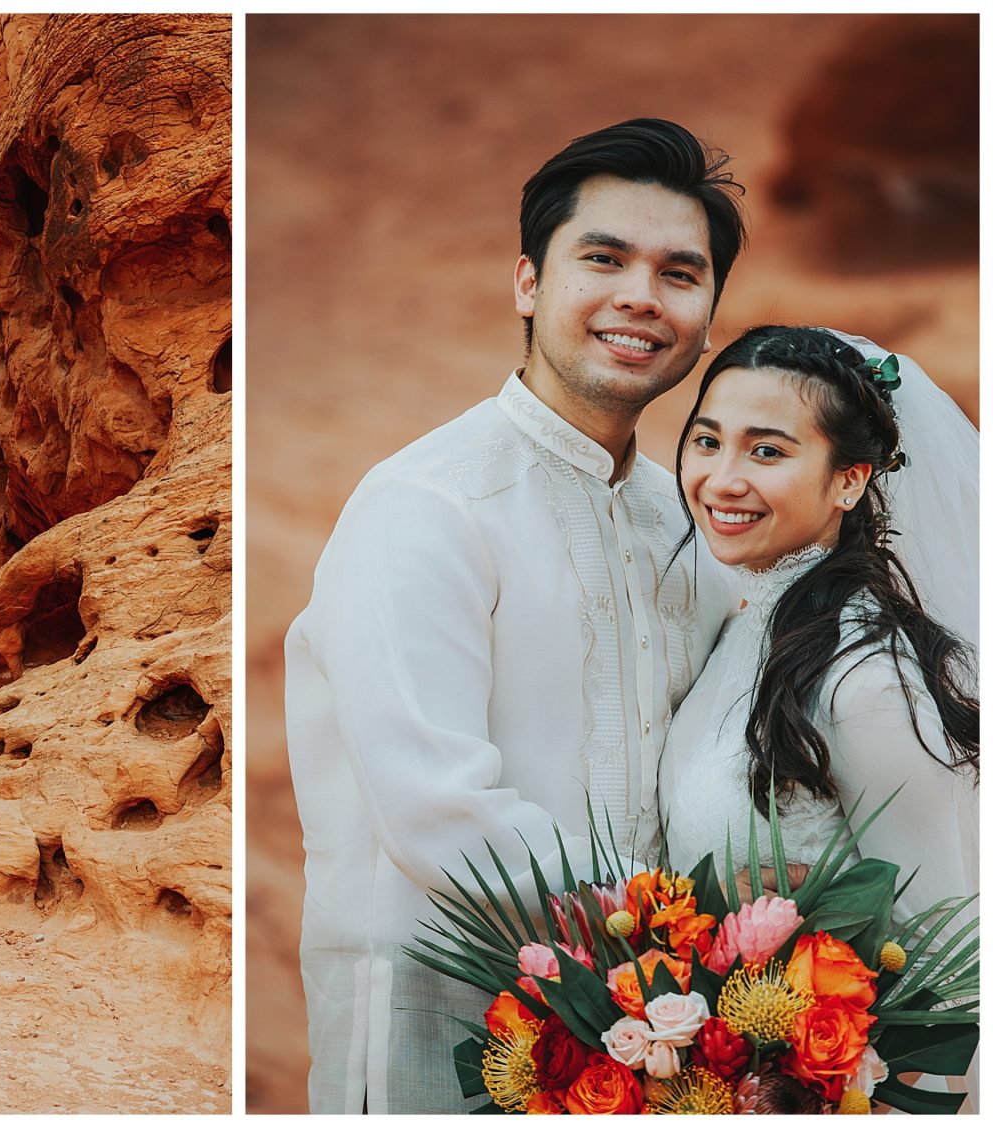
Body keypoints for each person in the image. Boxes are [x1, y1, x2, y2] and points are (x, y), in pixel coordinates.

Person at [284, 118, 745, 1114]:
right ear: (528, 285)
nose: (639, 296)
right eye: (603, 259)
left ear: (707, 319)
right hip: (442, 1026)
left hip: (660, 1045)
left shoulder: (687, 524)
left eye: (679, 272)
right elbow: (436, 810)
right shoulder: (427, 503)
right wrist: (678, 948)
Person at [659, 326, 978, 959]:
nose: (721, 480)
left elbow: (944, 967)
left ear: (849, 481)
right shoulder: (749, 616)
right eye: (707, 441)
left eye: (767, 452)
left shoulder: (867, 684)